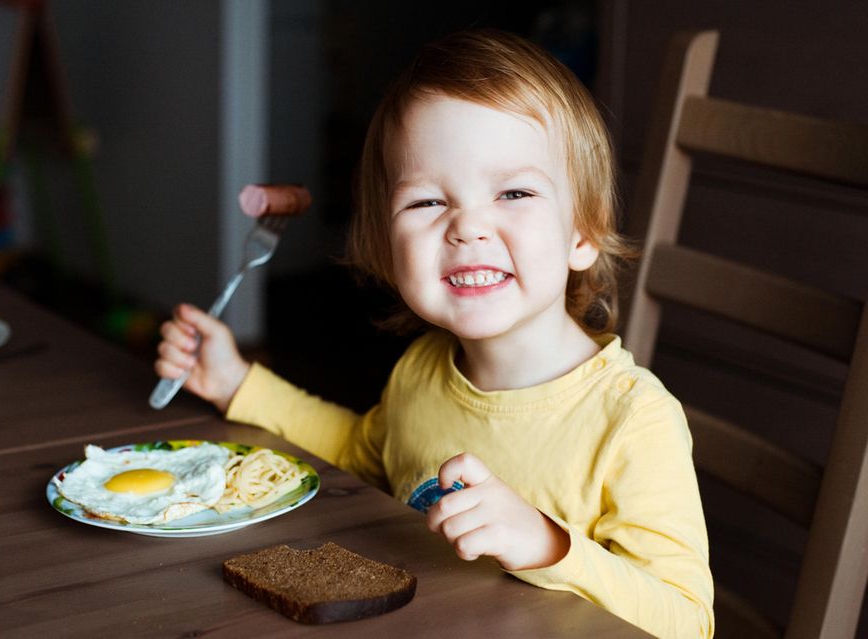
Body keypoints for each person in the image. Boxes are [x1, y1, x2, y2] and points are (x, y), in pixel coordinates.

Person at [156, 28, 713, 638]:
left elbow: (687, 620)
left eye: (514, 192)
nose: (468, 226)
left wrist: (550, 545)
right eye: (426, 203)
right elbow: (359, 453)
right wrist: (239, 383)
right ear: (387, 249)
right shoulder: (421, 373)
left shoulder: (633, 420)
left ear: (582, 233)